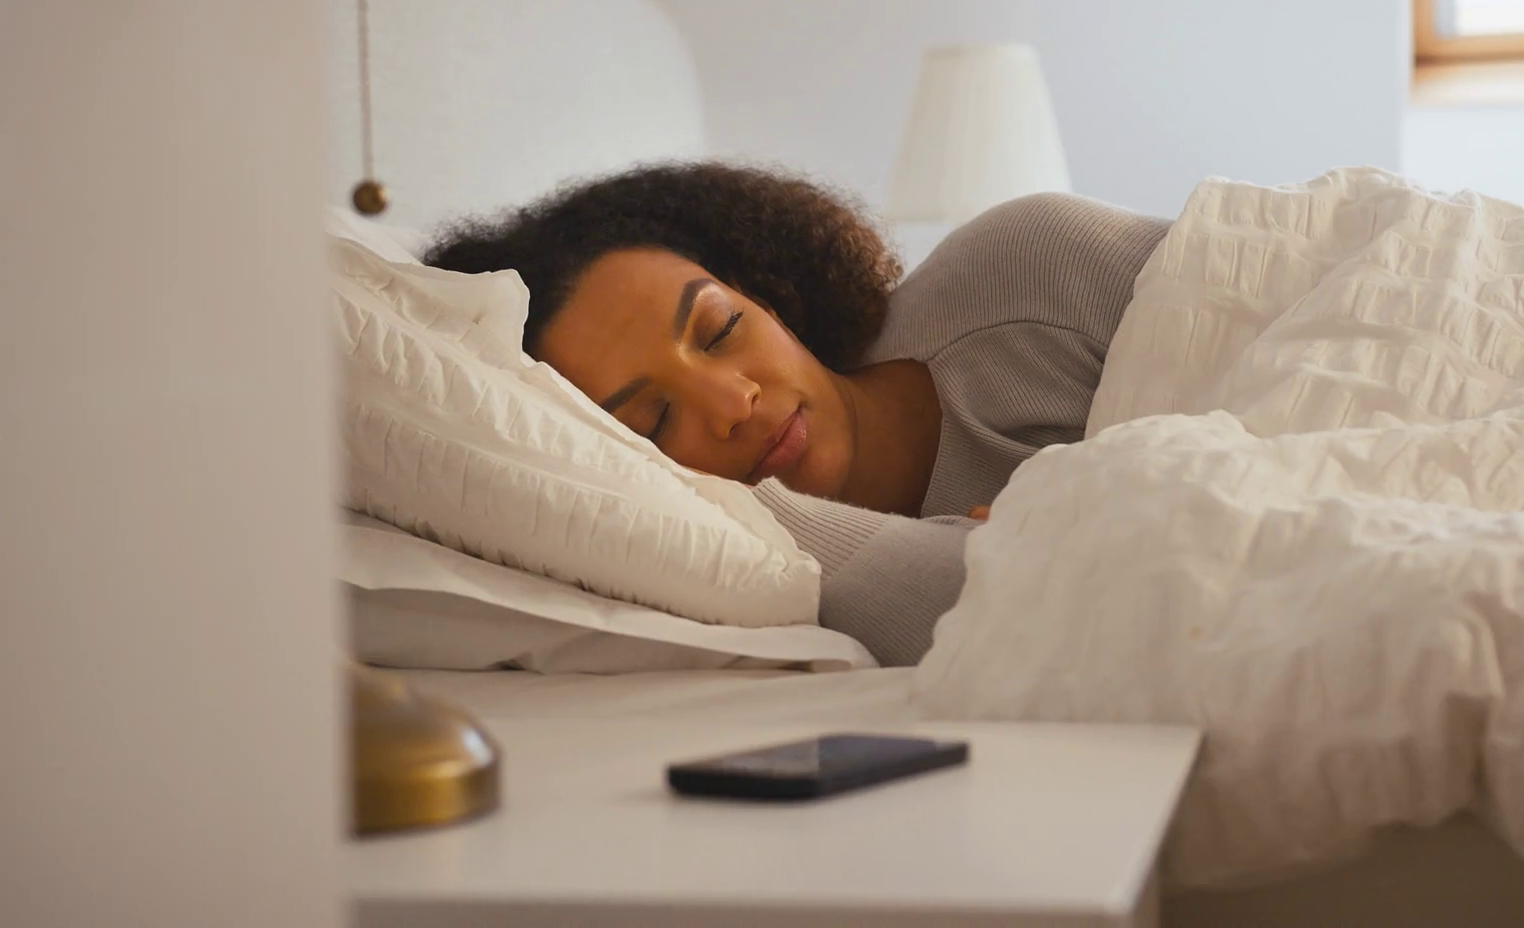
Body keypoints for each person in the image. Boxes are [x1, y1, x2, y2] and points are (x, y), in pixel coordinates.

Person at [426, 161, 1169, 665]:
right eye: (652, 424)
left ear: (767, 295)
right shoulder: (759, 582)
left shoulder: (1033, 265)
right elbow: (1044, 626)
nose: (732, 403)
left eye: (720, 329)